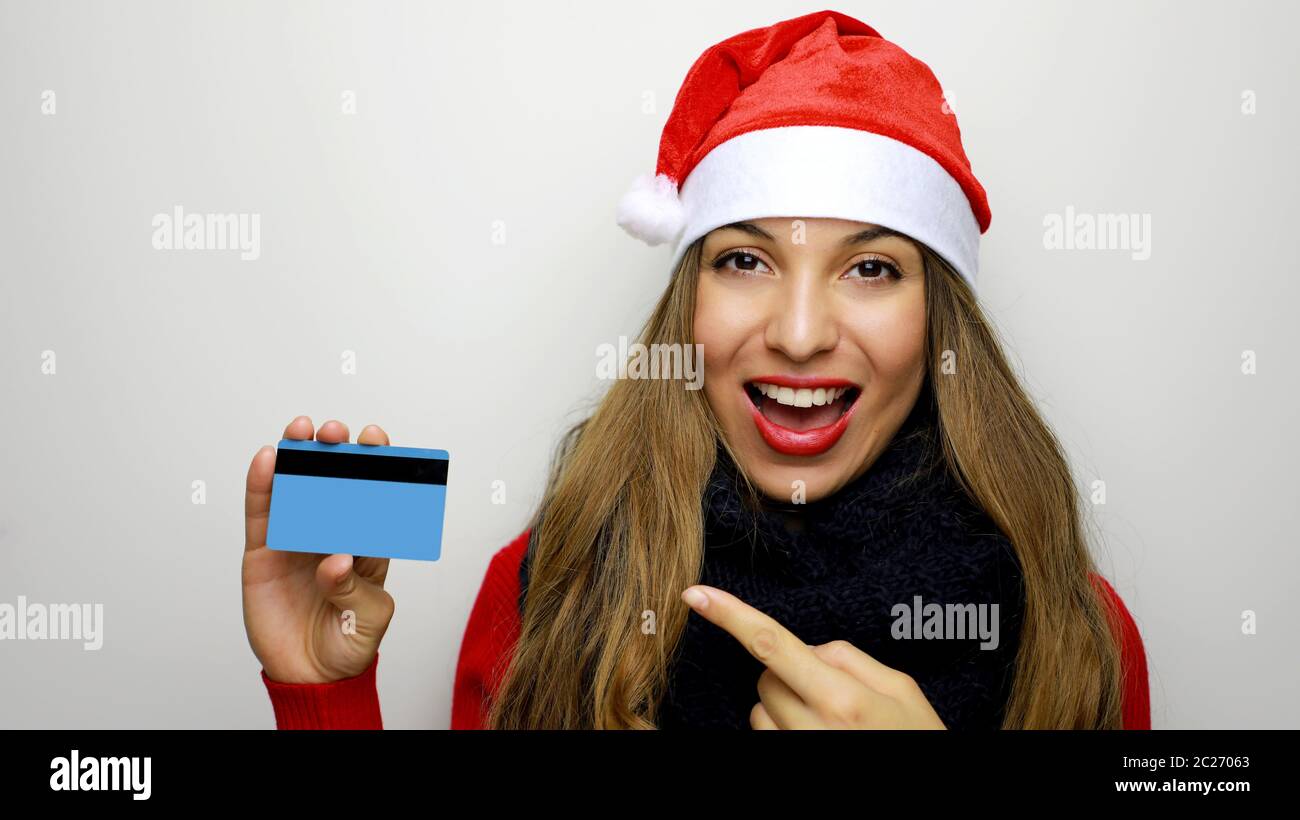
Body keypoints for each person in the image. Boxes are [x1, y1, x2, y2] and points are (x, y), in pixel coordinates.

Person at [243, 9, 1150, 730]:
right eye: (745, 261)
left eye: (871, 267)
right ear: (688, 306)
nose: (799, 336)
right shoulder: (546, 592)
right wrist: (322, 695)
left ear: (938, 320)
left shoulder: (1076, 633)